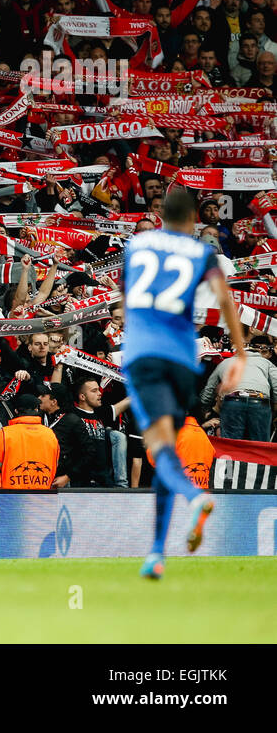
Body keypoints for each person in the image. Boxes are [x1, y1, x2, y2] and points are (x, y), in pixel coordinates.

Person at [122, 188, 247, 579]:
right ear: (194, 219)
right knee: (168, 452)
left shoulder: (137, 244)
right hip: (181, 359)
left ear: (160, 215)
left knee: (159, 449)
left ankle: (195, 496)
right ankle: (157, 553)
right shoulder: (202, 252)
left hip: (145, 356)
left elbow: (127, 300)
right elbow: (226, 301)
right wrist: (240, 356)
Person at [199, 334, 277, 441]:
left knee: (231, 446)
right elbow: (276, 386)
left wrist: (202, 410)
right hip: (260, 400)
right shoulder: (266, 363)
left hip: (233, 400)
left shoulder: (224, 363)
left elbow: (209, 390)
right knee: (260, 448)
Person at [0, 394, 60, 489]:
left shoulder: (5, 433)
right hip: (42, 494)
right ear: (36, 410)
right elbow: (54, 465)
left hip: (10, 495)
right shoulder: (50, 435)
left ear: (16, 411)